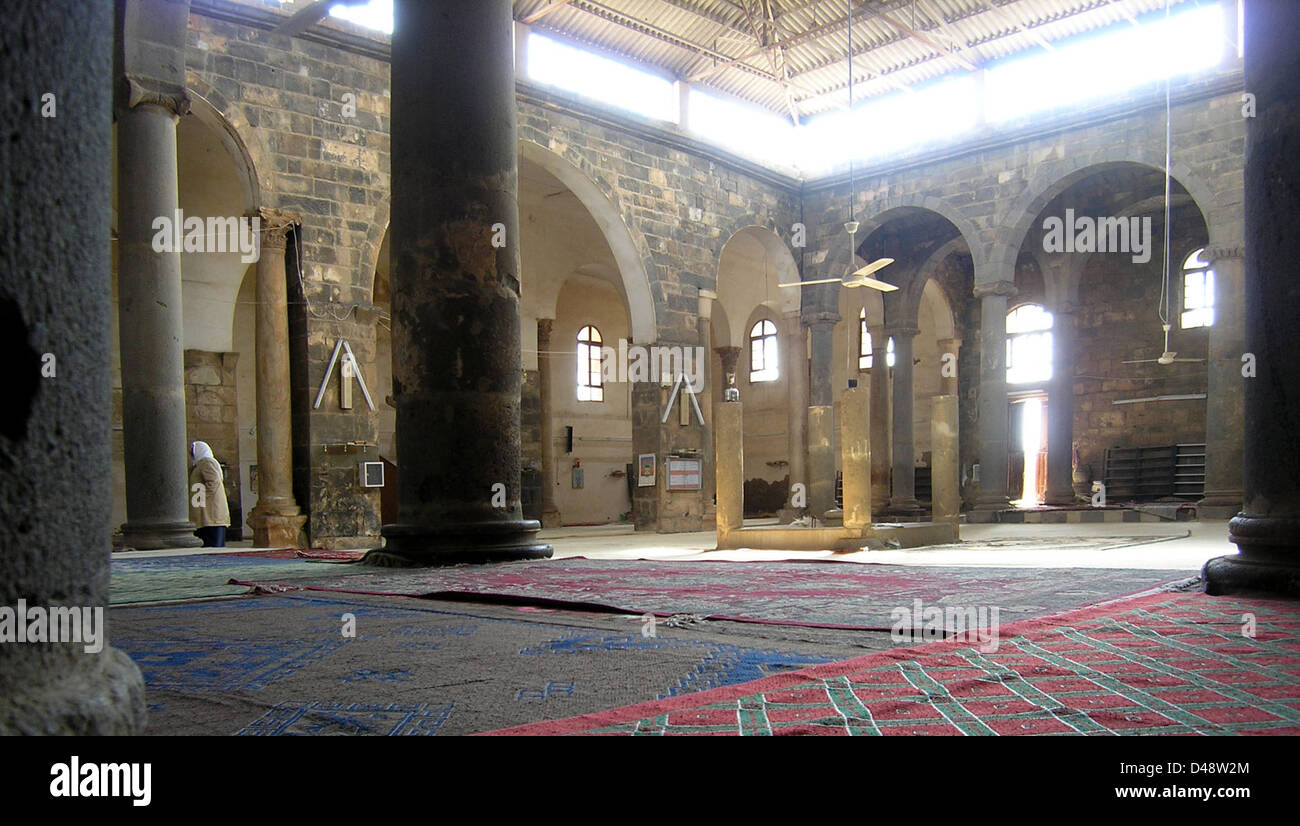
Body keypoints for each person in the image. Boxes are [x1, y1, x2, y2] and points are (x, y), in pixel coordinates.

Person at [189, 441, 231, 547]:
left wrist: (200, 499)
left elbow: (213, 482)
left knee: (212, 547)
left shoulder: (206, 463)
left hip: (209, 513)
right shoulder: (200, 464)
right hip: (205, 513)